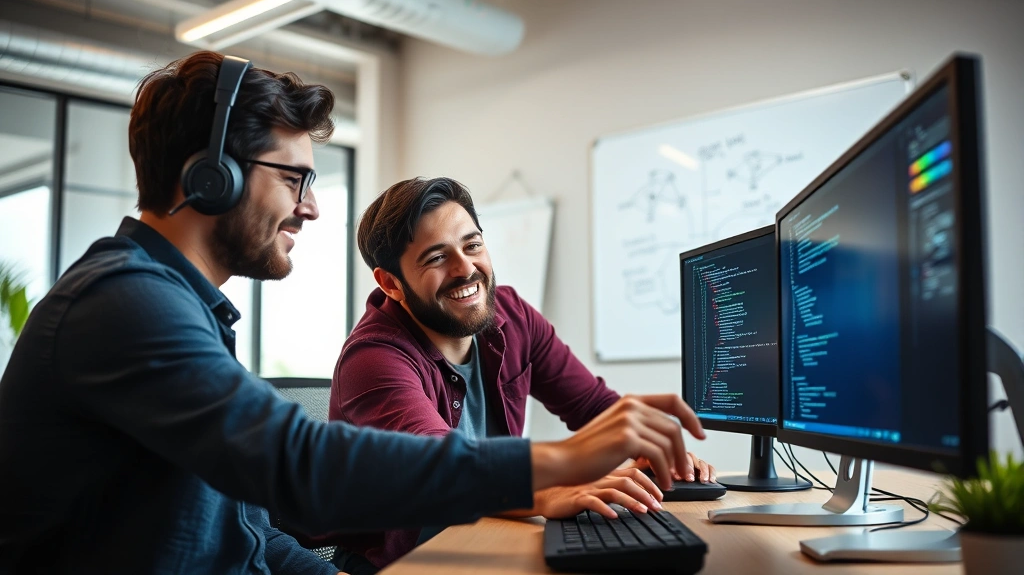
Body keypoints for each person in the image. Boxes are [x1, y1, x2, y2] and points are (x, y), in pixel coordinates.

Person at [0, 52, 707, 574]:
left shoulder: (182, 308)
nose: (309, 205)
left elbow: (252, 532)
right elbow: (298, 466)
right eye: (294, 178)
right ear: (209, 178)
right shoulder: (124, 302)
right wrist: (556, 462)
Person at [326, 176, 717, 572]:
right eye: (437, 258)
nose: (466, 269)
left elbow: (592, 405)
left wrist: (650, 447)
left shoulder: (512, 316)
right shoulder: (372, 358)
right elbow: (444, 468)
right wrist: (549, 490)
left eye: (473, 245)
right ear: (391, 283)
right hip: (403, 562)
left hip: (490, 533)